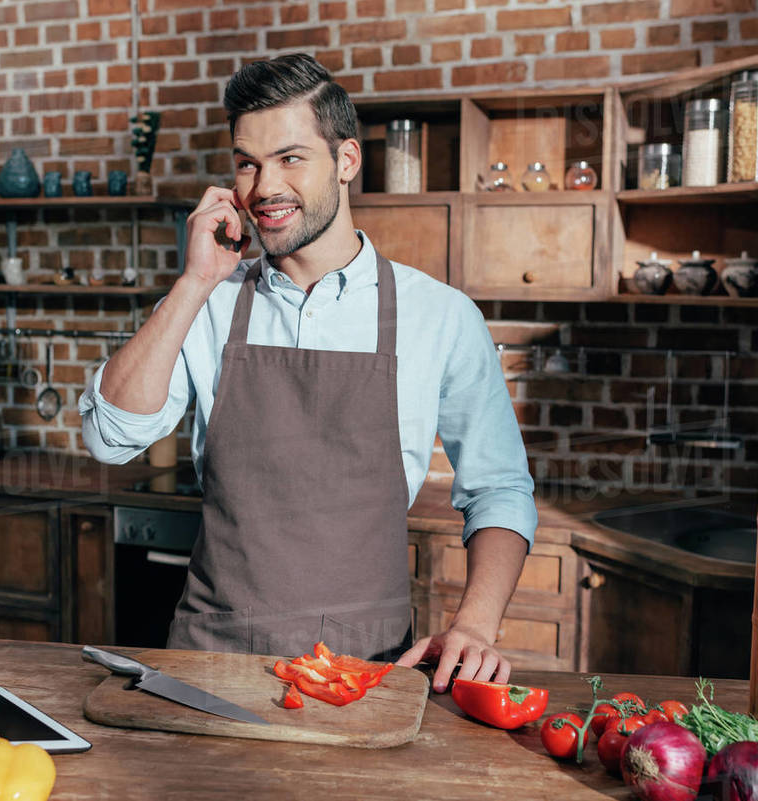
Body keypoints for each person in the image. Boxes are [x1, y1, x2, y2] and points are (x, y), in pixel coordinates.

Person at [79, 53, 536, 693]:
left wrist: (477, 625)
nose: (264, 187)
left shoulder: (439, 316)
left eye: (291, 158)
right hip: (211, 664)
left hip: (367, 669)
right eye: (247, 163)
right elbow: (110, 437)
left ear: (346, 162)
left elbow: (499, 489)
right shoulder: (206, 303)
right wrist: (193, 283)